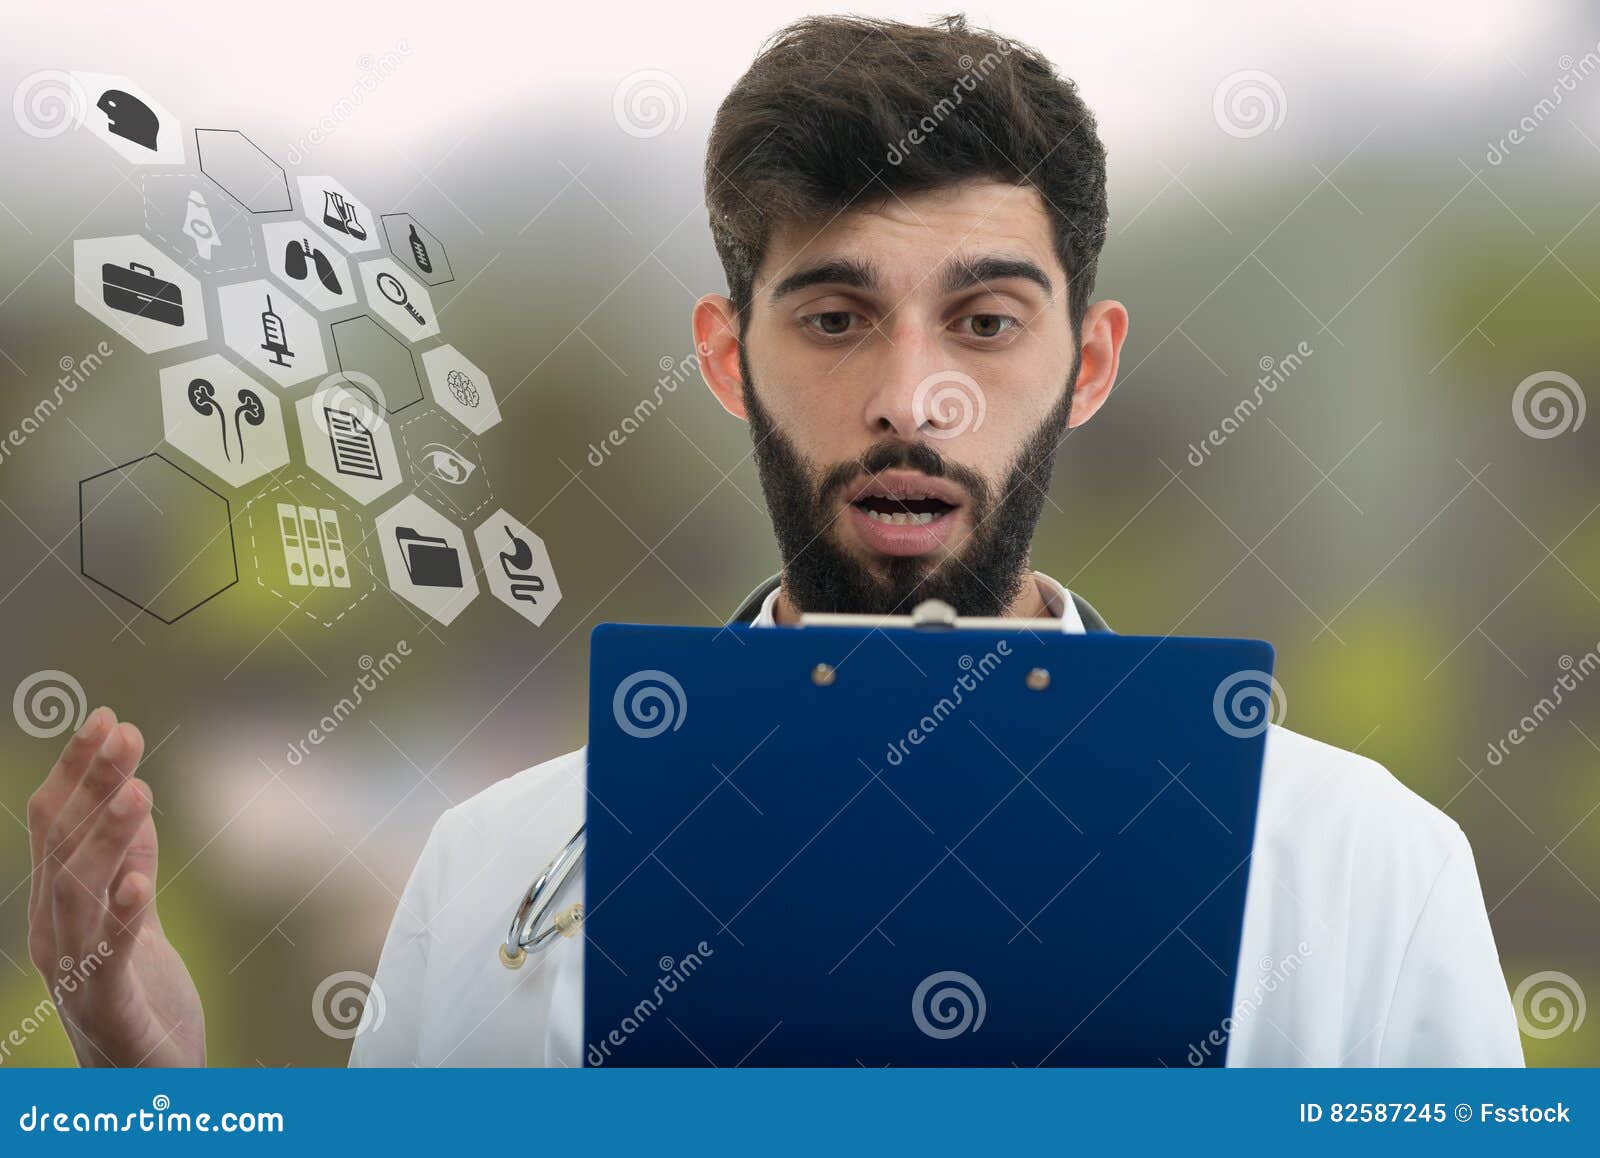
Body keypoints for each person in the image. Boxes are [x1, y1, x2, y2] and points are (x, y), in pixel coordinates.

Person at [26, 13, 1523, 1068]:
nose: (910, 400)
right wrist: (151, 1085)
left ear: (1088, 362)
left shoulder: (1368, 865)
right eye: (836, 317)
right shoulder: (496, 872)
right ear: (727, 355)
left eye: (986, 322)